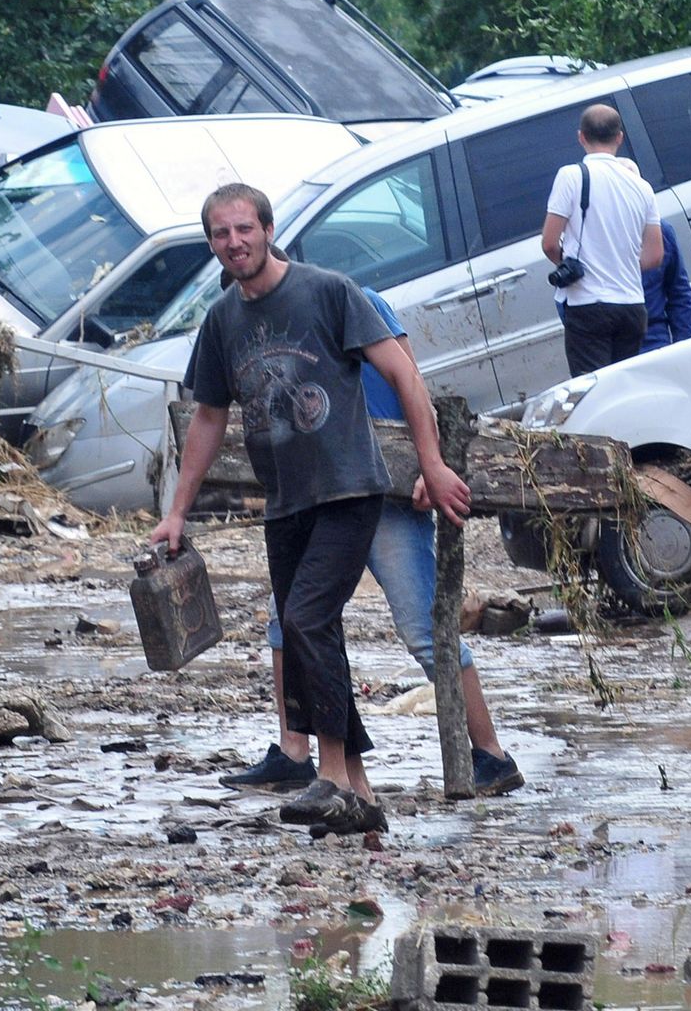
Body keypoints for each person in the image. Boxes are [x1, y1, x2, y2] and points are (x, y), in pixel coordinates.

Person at [152, 182, 472, 836]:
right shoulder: (222, 320)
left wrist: (432, 463)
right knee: (305, 633)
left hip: (350, 489)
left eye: (244, 229)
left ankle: (330, 777)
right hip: (286, 502)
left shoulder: (328, 292)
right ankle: (360, 793)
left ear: (268, 230)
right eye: (221, 234)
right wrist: (177, 511)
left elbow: (404, 373)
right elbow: (209, 417)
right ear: (211, 243)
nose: (234, 242)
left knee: (304, 619)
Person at [222, 286, 522, 798]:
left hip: (388, 493)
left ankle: (491, 754)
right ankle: (294, 752)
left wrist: (429, 463)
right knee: (287, 621)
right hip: (326, 495)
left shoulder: (348, 300)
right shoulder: (266, 329)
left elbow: (409, 379)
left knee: (424, 628)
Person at [540, 105, 663, 375]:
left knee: (592, 389)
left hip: (588, 304)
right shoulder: (642, 187)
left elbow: (549, 243)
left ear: (581, 137)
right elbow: (655, 255)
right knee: (623, 386)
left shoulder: (571, 176)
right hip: (631, 305)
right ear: (619, 137)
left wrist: (571, 264)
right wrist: (620, 265)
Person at [641, 218, 691, 353]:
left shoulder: (660, 231)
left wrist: (683, 350)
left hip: (653, 343)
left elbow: (680, 296)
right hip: (607, 347)